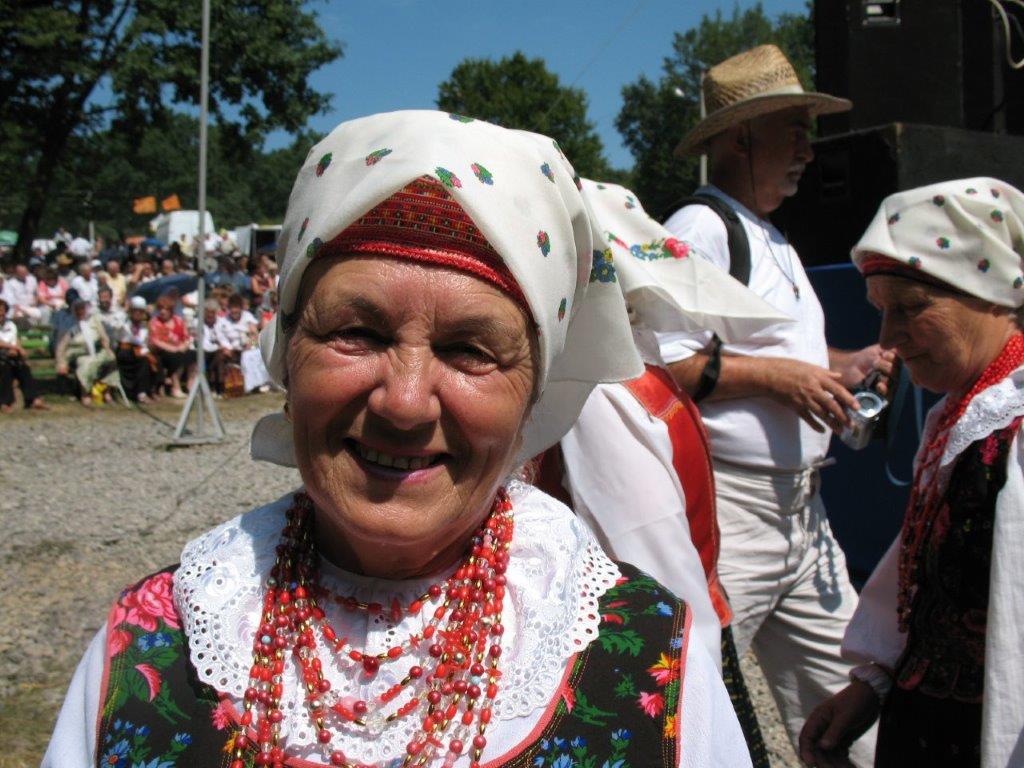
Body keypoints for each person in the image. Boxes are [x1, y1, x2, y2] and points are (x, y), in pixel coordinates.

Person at [43, 110, 751, 768]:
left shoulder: (650, 654)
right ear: (288, 353)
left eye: (471, 349)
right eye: (357, 332)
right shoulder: (156, 640)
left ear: (536, 390)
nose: (406, 402)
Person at [659, 44, 889, 762]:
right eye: (793, 130)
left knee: (849, 711)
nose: (806, 151)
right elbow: (665, 363)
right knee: (691, 705)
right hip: (736, 515)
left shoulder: (775, 240)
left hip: (802, 517)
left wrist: (849, 366)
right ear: (742, 136)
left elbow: (781, 356)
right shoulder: (702, 228)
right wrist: (784, 381)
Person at [547, 178, 803, 767]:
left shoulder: (602, 386)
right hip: (686, 624)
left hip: (663, 644)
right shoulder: (631, 370)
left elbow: (655, 562)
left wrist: (695, 687)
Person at [799, 179, 1024, 768]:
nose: (886, 339)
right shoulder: (960, 416)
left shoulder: (1014, 426)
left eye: (909, 309)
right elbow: (923, 573)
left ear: (990, 292)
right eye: (880, 311)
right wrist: (871, 683)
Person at [55, 298, 118, 405]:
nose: (80, 311)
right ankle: (85, 393)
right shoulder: (69, 324)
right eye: (78, 309)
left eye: (82, 308)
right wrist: (61, 362)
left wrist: (107, 348)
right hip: (79, 353)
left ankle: (106, 392)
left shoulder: (93, 319)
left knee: (110, 359)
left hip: (97, 350)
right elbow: (61, 346)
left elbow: (104, 337)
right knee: (87, 363)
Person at [0, 298, 48, 412]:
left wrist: (19, 348)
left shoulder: (10, 324)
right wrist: (14, 348)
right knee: (4, 368)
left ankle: (33, 399)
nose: (0, 313)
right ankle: (5, 402)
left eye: (2, 310)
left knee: (23, 367)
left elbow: (15, 339)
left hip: (11, 354)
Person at [148, 294, 195, 398]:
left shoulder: (178, 320)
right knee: (175, 357)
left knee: (193, 356)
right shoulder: (154, 322)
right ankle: (176, 388)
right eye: (160, 309)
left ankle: (190, 385)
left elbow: (187, 337)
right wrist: (174, 349)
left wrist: (184, 346)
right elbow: (156, 341)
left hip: (179, 349)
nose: (163, 311)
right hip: (162, 352)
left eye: (166, 309)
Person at [115, 296, 155, 403]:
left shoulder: (144, 326)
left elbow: (144, 343)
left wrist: (146, 351)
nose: (138, 314)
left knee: (153, 361)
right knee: (142, 360)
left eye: (140, 311)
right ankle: (141, 393)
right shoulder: (124, 322)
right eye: (135, 311)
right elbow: (117, 325)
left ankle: (148, 391)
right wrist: (125, 311)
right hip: (124, 351)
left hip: (138, 352)